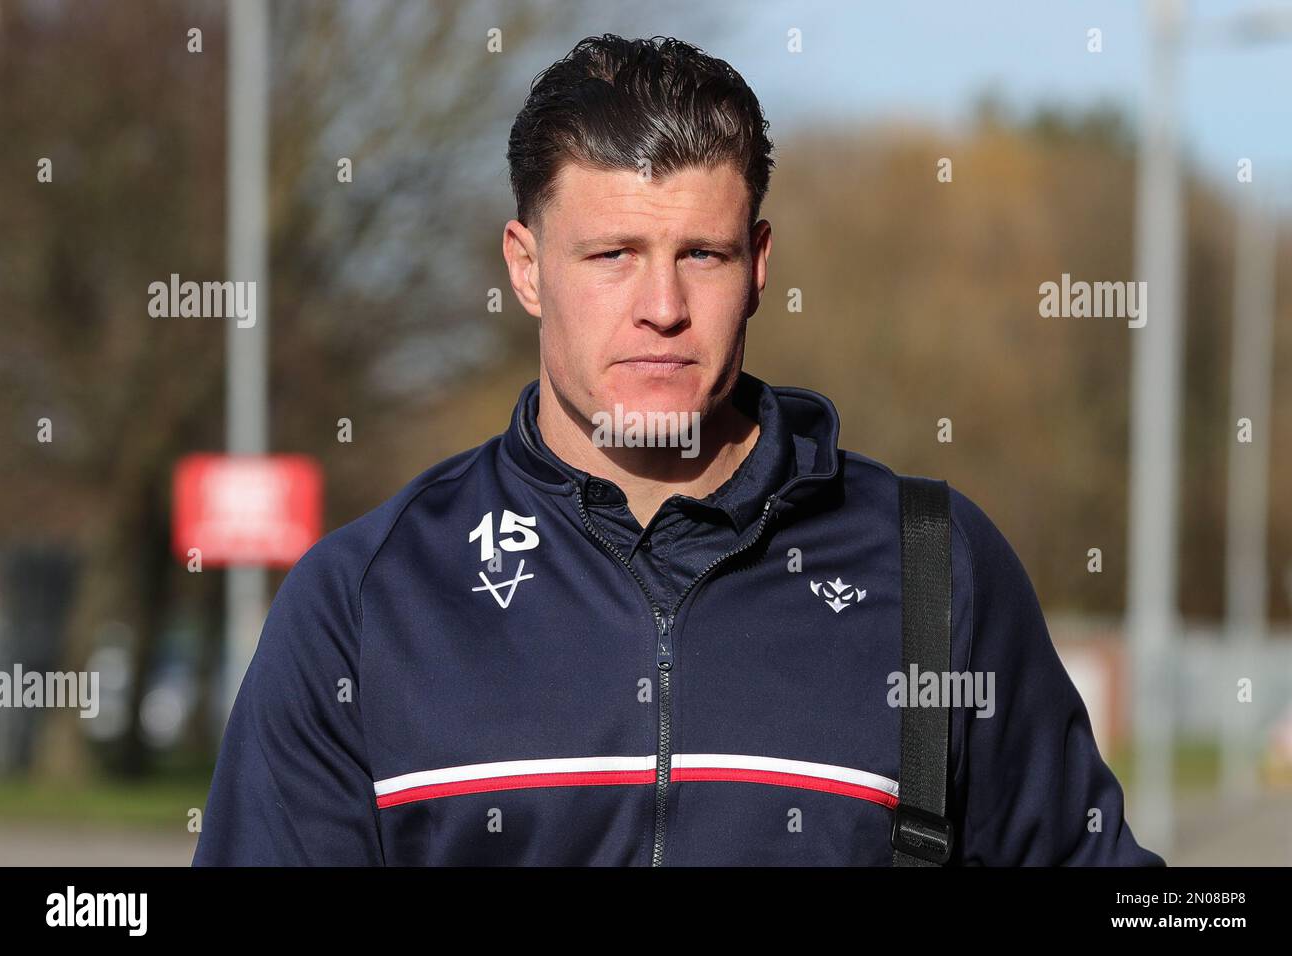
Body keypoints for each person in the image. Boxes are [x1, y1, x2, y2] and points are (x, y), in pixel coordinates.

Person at [193, 33, 1164, 866]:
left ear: (759, 263)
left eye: (701, 254)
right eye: (610, 255)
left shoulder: (931, 570)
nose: (661, 307)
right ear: (525, 267)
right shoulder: (367, 601)